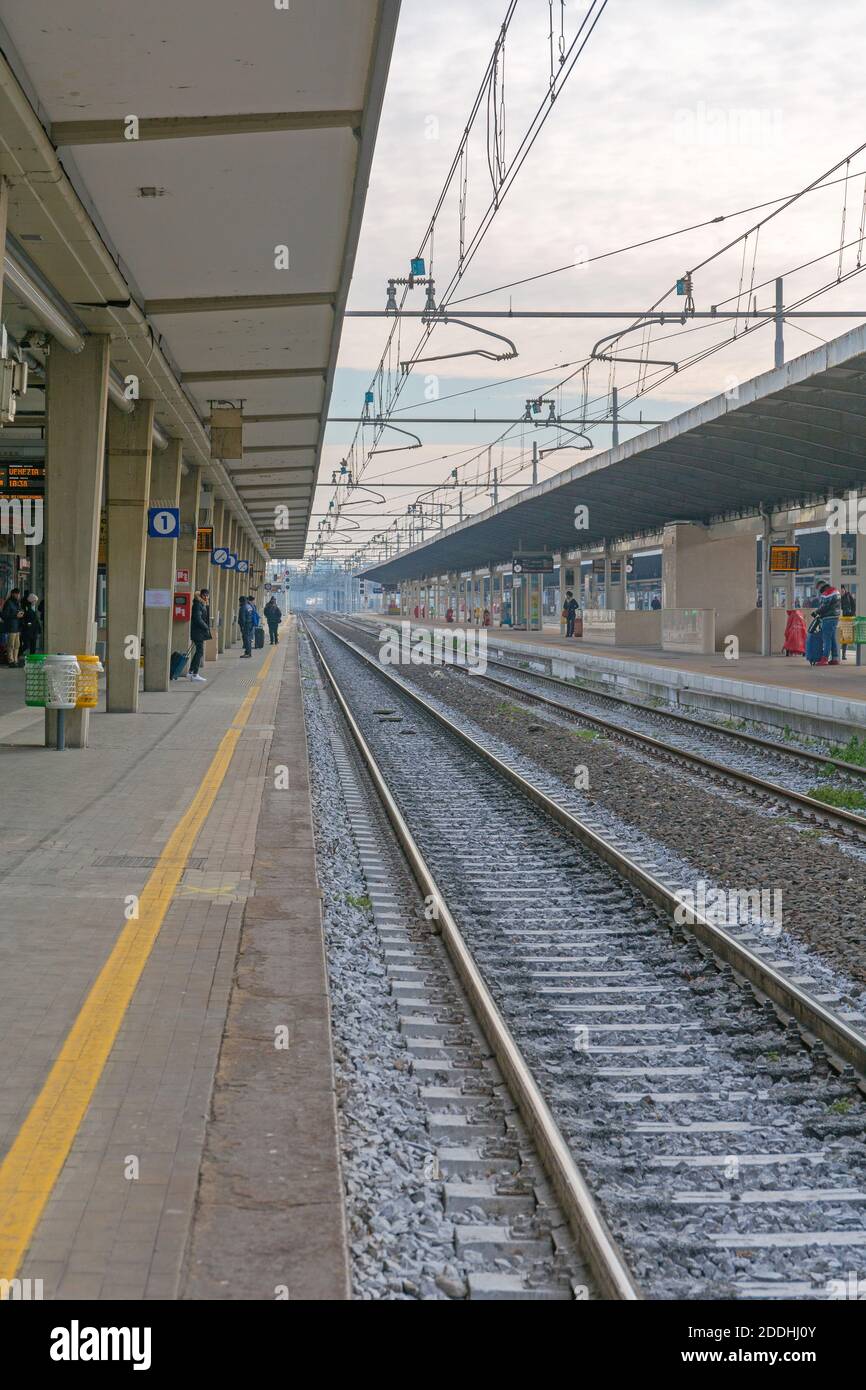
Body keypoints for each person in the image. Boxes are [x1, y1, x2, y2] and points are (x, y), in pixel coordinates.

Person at [813, 580, 842, 665]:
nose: (820, 592)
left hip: (828, 618)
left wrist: (816, 612)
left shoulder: (828, 593)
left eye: (820, 589)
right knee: (832, 639)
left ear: (823, 587)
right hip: (835, 618)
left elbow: (824, 606)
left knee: (826, 639)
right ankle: (835, 658)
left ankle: (825, 658)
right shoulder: (835, 591)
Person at [189, 589, 212, 682]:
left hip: (199, 632)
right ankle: (195, 674)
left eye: (207, 595)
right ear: (201, 595)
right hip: (197, 632)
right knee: (200, 652)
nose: (206, 597)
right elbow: (198, 619)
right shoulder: (198, 605)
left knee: (199, 652)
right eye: (204, 595)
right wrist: (206, 626)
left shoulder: (201, 604)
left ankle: (191, 671)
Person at [2, 588, 24, 667]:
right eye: (17, 594)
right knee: (11, 645)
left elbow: (20, 610)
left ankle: (15, 660)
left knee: (17, 645)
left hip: (17, 627)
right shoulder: (8, 603)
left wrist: (21, 613)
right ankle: (10, 661)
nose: (18, 595)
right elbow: (4, 615)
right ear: (13, 594)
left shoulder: (17, 603)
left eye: (19, 594)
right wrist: (15, 615)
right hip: (11, 627)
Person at [20, 592, 42, 658]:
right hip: (28, 629)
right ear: (31, 600)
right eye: (34, 601)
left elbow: (36, 619)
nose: (35, 602)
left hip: (34, 629)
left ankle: (32, 658)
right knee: (27, 645)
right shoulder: (26, 607)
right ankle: (18, 654)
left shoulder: (33, 607)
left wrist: (39, 629)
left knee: (33, 645)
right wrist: (27, 624)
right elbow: (25, 618)